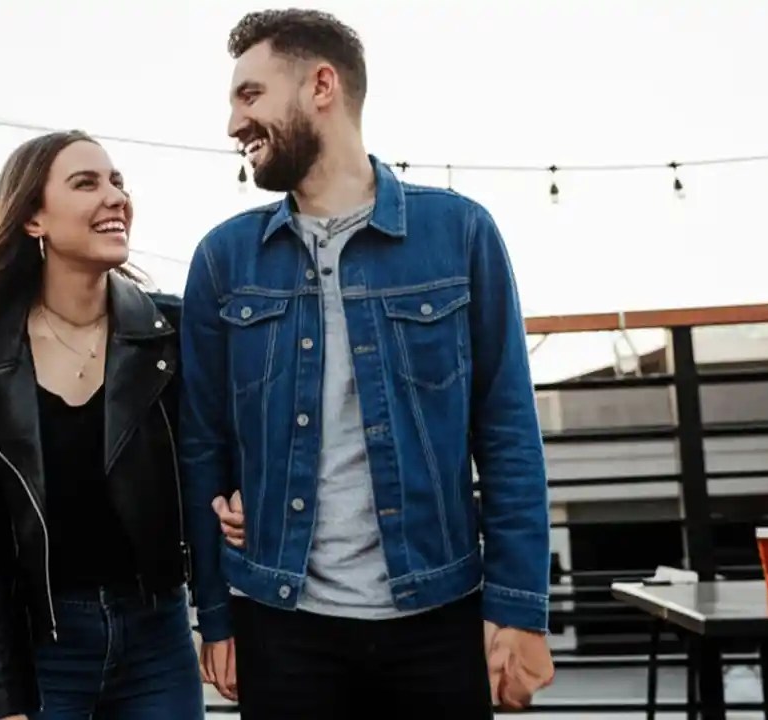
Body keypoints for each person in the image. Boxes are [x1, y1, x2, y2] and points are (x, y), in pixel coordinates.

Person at [179, 9, 555, 718]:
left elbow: (507, 433)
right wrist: (217, 613)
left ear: (322, 85)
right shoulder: (224, 259)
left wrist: (519, 607)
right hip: (281, 625)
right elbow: (204, 446)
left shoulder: (460, 233)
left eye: (250, 95)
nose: (233, 122)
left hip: (439, 616)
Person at [0, 130, 203, 720]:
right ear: (34, 219)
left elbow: (216, 464)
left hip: (159, 639)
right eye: (87, 183)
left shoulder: (171, 334)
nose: (115, 197)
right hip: (43, 650)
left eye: (117, 182)